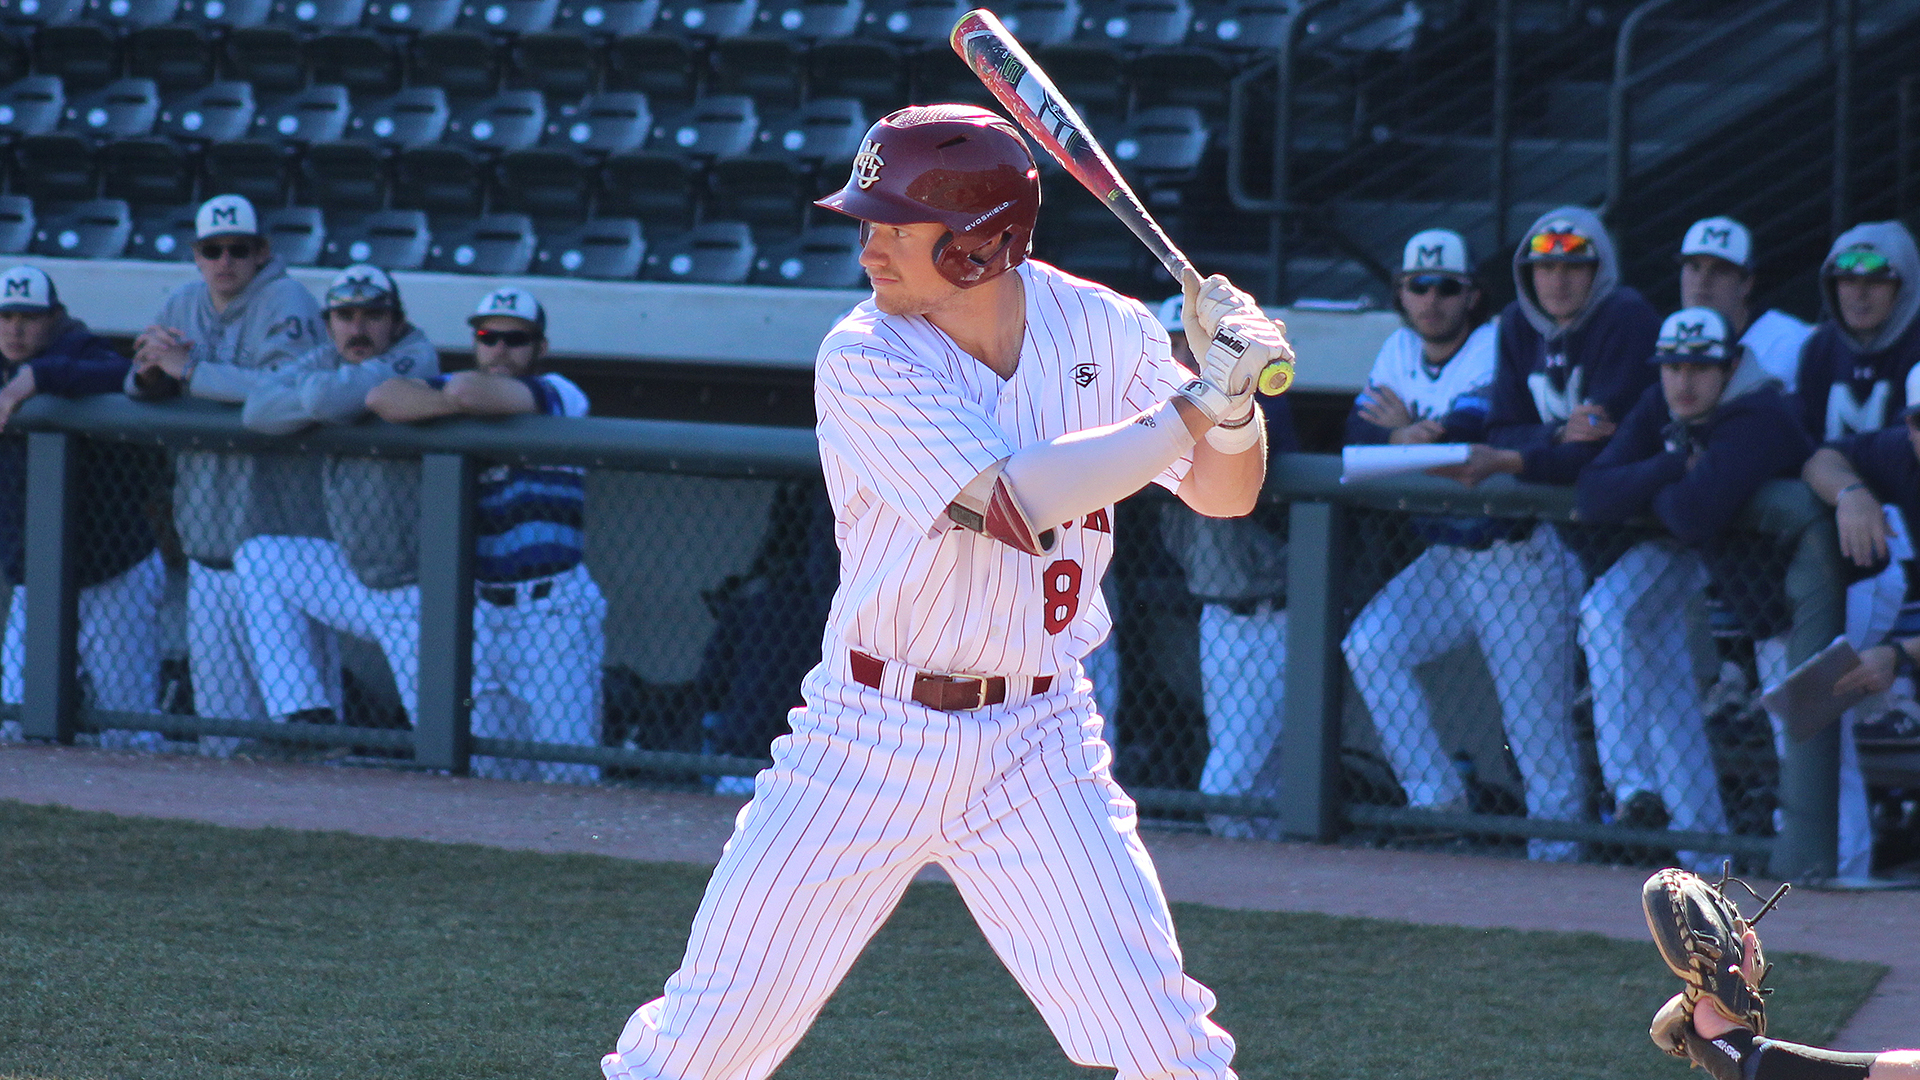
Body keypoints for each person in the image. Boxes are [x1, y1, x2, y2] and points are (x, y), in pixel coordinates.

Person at [597, 104, 1284, 1080]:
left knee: (1167, 1047)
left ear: (977, 247)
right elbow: (1009, 502)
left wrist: (1236, 402)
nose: (868, 244)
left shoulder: (1105, 328)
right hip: (865, 734)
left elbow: (1227, 492)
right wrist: (1196, 403)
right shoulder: (865, 355)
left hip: (1040, 741)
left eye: (893, 223)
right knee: (705, 1040)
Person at [1428, 208, 1663, 857]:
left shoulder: (1627, 317)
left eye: (1573, 265)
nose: (1557, 280)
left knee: (1658, 707)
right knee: (1640, 708)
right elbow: (1502, 429)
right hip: (1567, 539)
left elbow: (1604, 449)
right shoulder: (1513, 325)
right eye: (1544, 266)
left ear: (1599, 267)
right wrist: (1553, 439)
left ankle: (1680, 845)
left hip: (1643, 537)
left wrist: (1521, 454)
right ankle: (1633, 841)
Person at [1340, 229, 1572, 840]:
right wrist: (1410, 436)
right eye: (1420, 285)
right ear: (1401, 292)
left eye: (1448, 287)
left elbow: (1475, 428)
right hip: (1447, 557)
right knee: (1371, 647)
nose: (1432, 299)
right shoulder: (1396, 347)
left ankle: (1563, 862)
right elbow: (1355, 433)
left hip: (1516, 558)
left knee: (1534, 728)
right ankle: (1437, 799)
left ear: (1472, 294)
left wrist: (1407, 432)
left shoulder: (1495, 342)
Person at [1574, 307, 1814, 867]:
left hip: (1817, 594)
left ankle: (1831, 884)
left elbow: (1691, 514)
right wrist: (1672, 465)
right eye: (1672, 366)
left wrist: (1656, 484)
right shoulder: (1665, 404)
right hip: (1750, 587)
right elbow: (1591, 493)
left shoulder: (1762, 412)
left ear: (1730, 367)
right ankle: (1646, 801)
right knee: (1611, 612)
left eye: (1700, 368)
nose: (1683, 381)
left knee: (1811, 748)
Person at [365, 286, 606, 783]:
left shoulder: (562, 391)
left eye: (515, 339)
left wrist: (442, 402)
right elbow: (382, 396)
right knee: (484, 774)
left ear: (540, 348)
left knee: (570, 773)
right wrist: (446, 399)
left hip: (552, 610)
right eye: (487, 336)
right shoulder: (457, 382)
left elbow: (468, 393)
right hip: (477, 611)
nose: (499, 349)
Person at [124, 193, 336, 749]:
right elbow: (141, 383)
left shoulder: (288, 299)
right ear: (196, 254)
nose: (225, 261)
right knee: (223, 738)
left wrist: (190, 369)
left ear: (262, 252)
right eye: (212, 249)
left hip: (282, 561)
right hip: (207, 555)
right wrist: (152, 371)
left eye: (238, 249)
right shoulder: (183, 301)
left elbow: (281, 393)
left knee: (304, 735)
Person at [230, 265, 439, 735]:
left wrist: (321, 394)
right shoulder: (330, 360)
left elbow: (326, 405)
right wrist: (336, 393)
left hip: (420, 592)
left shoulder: (416, 357)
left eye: (372, 315)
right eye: (345, 315)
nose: (358, 329)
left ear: (396, 322)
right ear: (328, 323)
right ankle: (304, 716)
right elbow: (257, 411)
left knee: (447, 747)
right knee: (260, 557)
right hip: (357, 579)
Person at [0, 265, 166, 746]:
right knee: (13, 718)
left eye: (28, 317)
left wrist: (36, 376)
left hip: (116, 575)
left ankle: (146, 812)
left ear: (54, 318)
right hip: (38, 577)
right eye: (6, 317)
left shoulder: (81, 349)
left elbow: (122, 373)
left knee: (128, 726)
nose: (15, 329)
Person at [1154, 293, 1299, 840]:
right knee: (1250, 776)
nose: (1183, 360)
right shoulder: (1153, 414)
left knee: (1235, 783)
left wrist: (1241, 374)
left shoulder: (1252, 403)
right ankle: (1265, 890)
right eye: (1172, 346)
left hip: (1275, 615)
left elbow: (1266, 434)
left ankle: (1256, 885)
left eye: (1193, 347)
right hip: (1217, 619)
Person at [1800, 398, 1920, 874]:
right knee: (1811, 697)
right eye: (1917, 419)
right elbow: (1819, 458)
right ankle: (1842, 868)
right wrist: (1851, 492)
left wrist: (1898, 655)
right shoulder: (1899, 452)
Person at [1795, 221, 1920, 440]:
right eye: (1848, 280)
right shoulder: (1819, 347)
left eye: (1876, 281)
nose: (1860, 294)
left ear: (1904, 288)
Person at [1675, 216, 1814, 391]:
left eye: (1719, 271)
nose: (1702, 281)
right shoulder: (1671, 341)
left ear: (1746, 284)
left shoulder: (1789, 341)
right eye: (1694, 267)